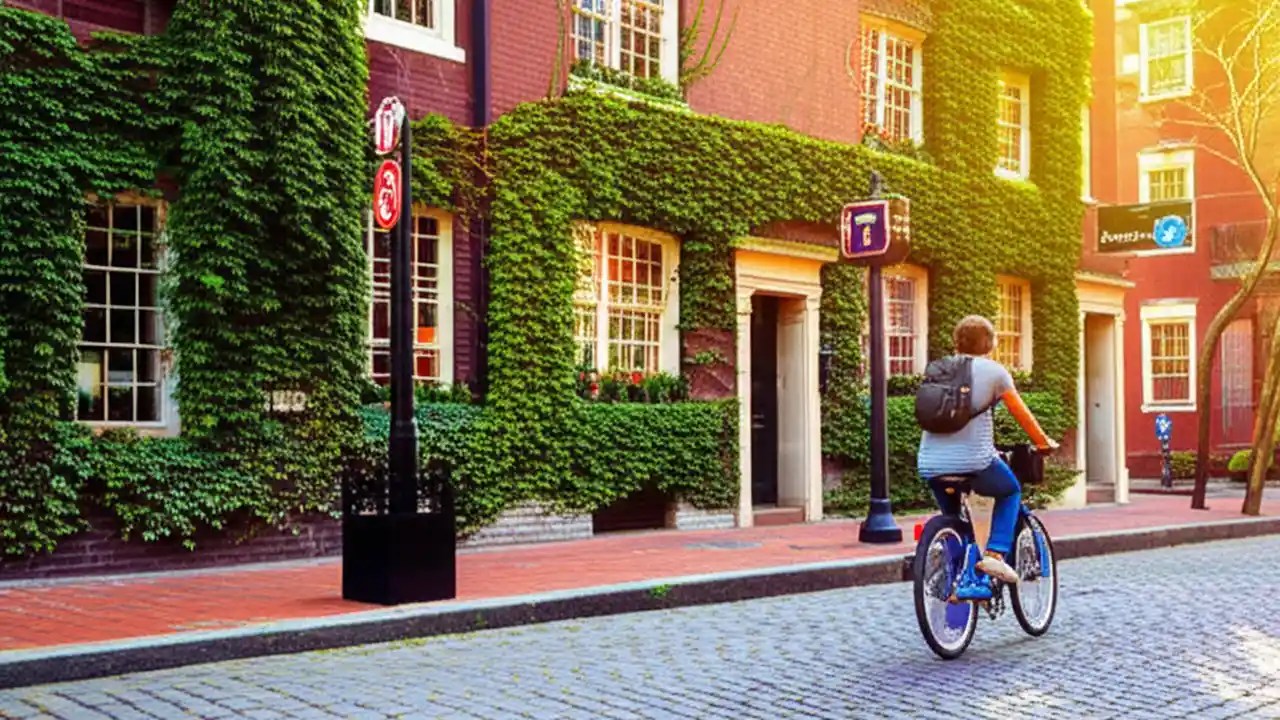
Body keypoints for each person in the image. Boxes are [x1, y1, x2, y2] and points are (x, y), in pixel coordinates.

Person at [917, 315, 1057, 584]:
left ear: (956, 342)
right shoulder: (995, 372)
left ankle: (951, 578)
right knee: (1010, 490)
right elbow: (1022, 415)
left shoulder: (936, 369)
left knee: (953, 519)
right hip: (975, 460)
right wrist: (1043, 442)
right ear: (990, 344)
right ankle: (995, 554)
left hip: (930, 462)